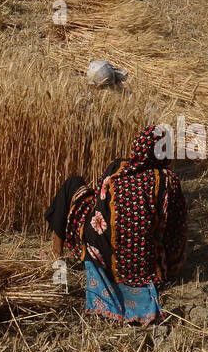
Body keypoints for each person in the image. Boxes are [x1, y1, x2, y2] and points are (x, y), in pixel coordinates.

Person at [45, 125, 187, 325]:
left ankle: (56, 256)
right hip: (143, 263)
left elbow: (99, 205)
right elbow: (176, 232)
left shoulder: (117, 169)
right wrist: (170, 266)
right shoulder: (167, 180)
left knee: (73, 184)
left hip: (100, 250)